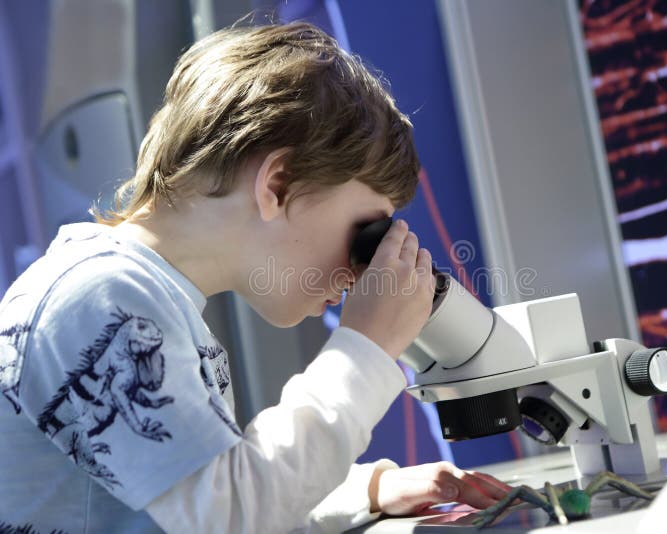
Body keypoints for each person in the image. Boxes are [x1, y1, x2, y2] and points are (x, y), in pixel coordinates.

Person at [0, 21, 513, 533]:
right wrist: (366, 348)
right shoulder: (103, 297)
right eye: (367, 234)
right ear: (279, 185)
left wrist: (366, 492)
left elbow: (207, 500)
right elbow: (227, 519)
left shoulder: (145, 299)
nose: (364, 270)